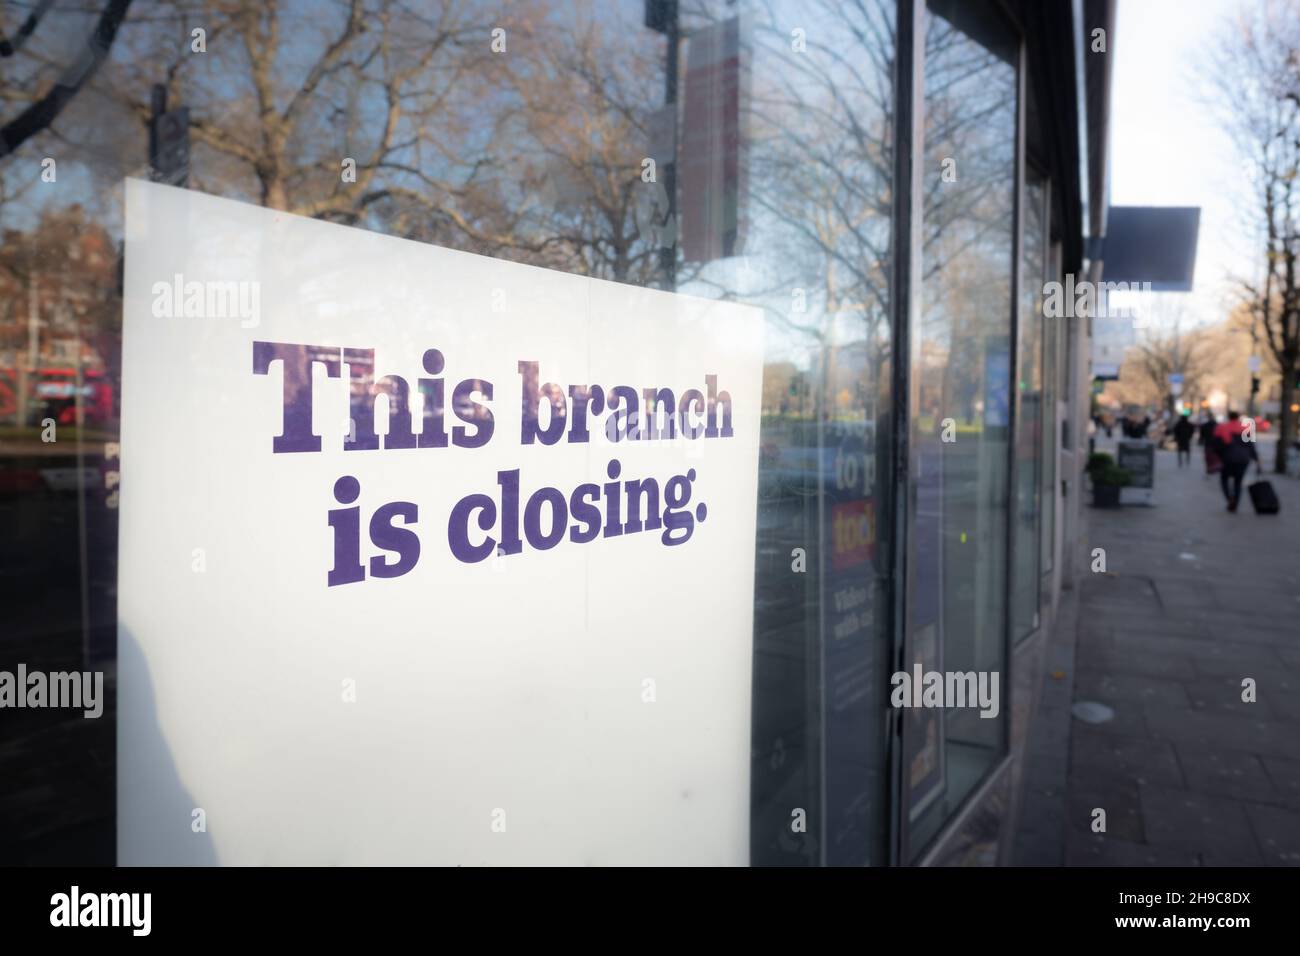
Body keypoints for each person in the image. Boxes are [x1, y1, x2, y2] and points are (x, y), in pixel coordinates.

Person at [1212, 411, 1259, 512]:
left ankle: (1229, 498)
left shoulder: (1221, 427)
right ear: (1238, 417)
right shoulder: (1246, 428)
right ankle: (1236, 503)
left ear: (1229, 417)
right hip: (1243, 459)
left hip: (1227, 459)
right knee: (1238, 482)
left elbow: (1216, 445)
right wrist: (1257, 459)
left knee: (1224, 479)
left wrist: (1219, 456)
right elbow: (1251, 446)